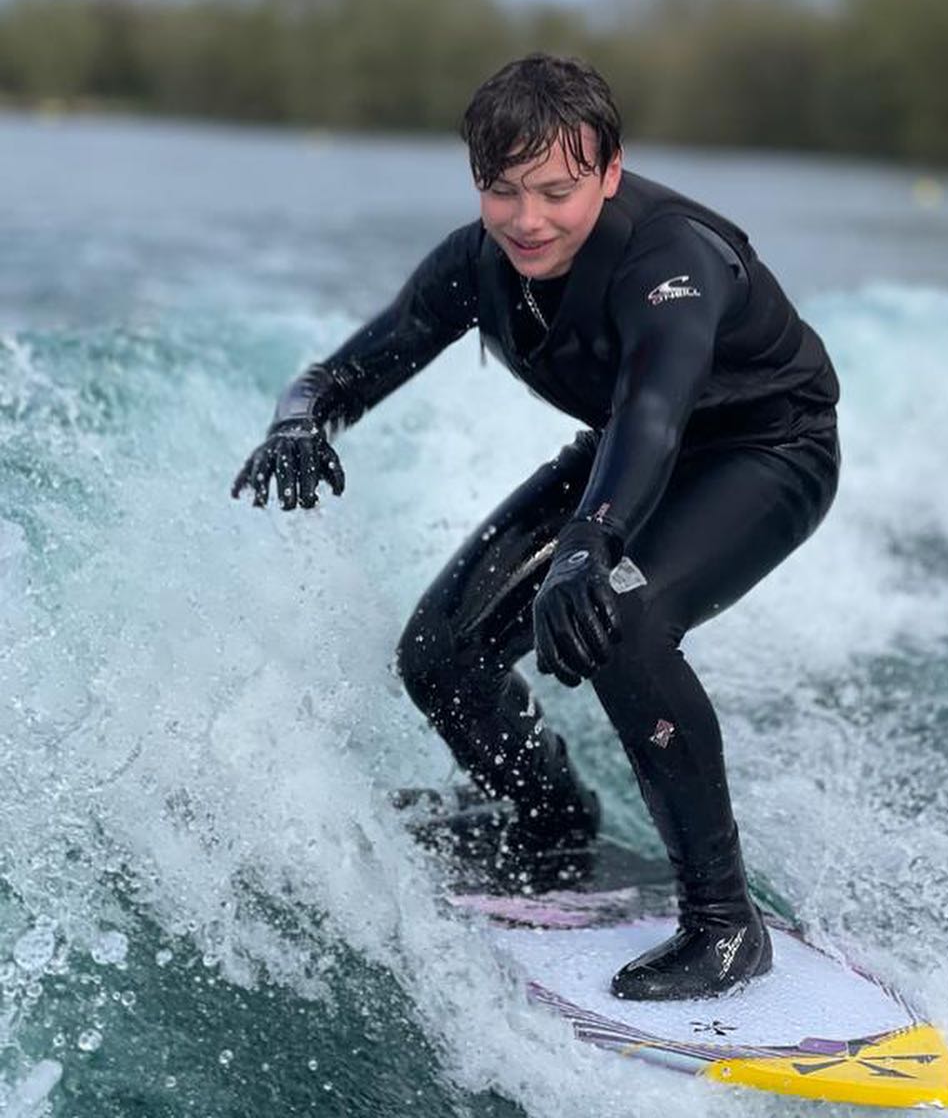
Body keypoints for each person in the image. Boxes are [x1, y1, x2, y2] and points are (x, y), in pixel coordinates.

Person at [232, 54, 840, 1001]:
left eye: (558, 190)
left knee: (627, 622)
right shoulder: (477, 264)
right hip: (623, 460)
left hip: (764, 452)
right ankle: (553, 819)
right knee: (442, 657)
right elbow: (339, 374)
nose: (528, 219)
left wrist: (592, 545)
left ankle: (725, 926)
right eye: (503, 190)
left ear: (609, 170)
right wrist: (297, 421)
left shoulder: (670, 256)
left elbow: (654, 417)